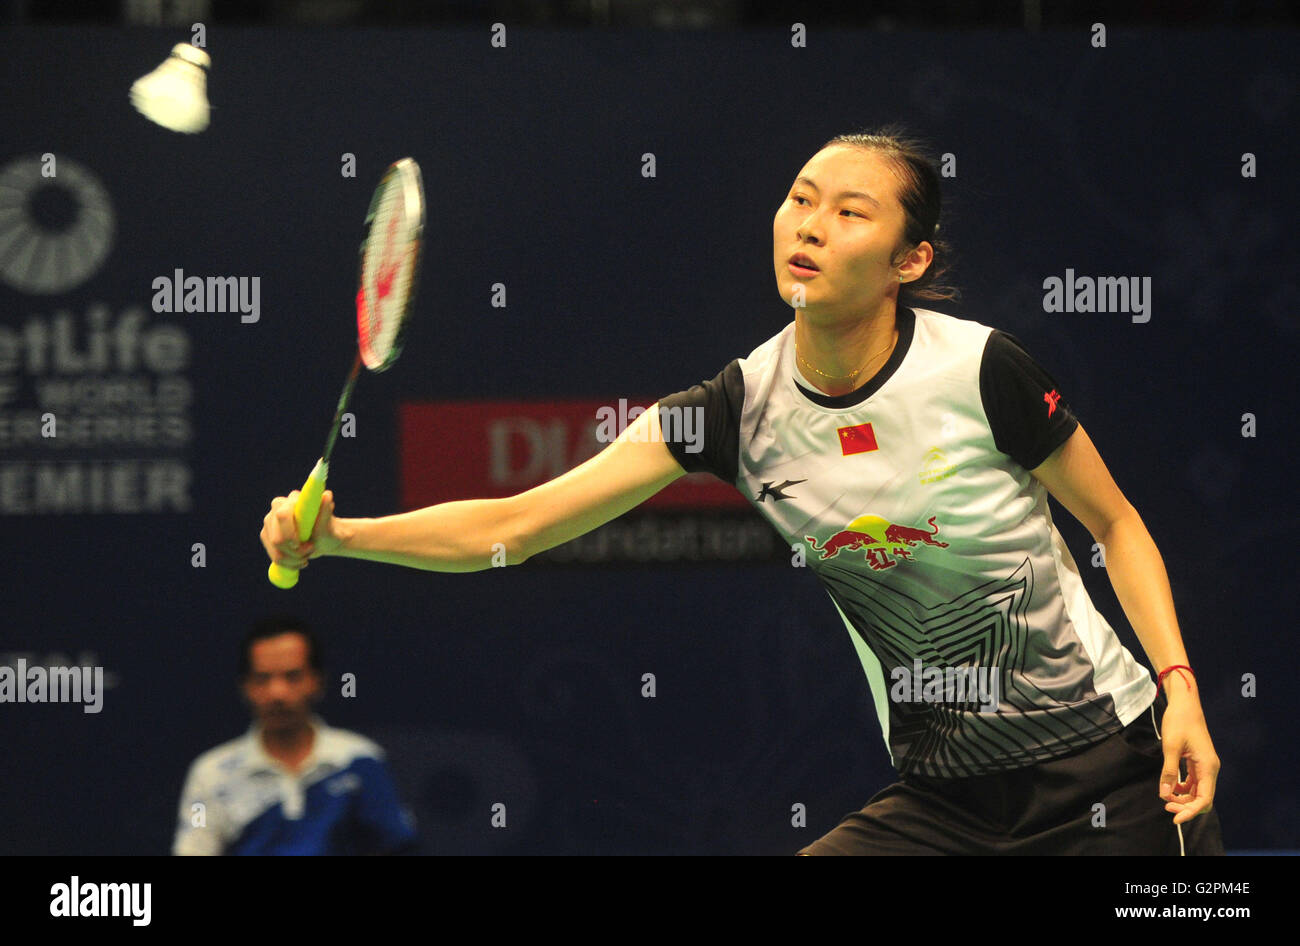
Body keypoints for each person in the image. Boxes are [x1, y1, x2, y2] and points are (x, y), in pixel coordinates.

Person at [260, 127, 1223, 855]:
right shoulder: (732, 411)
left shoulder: (982, 371)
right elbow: (516, 524)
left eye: (851, 212)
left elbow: (1115, 522)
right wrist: (342, 537)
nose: (810, 223)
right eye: (801, 198)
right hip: (944, 801)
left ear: (909, 261)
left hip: (1114, 776)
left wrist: (1180, 690)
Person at [173, 615, 417, 855]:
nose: (277, 693)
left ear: (317, 681)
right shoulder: (210, 774)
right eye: (262, 678)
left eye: (292, 676)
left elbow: (395, 847)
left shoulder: (360, 761)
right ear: (245, 686)